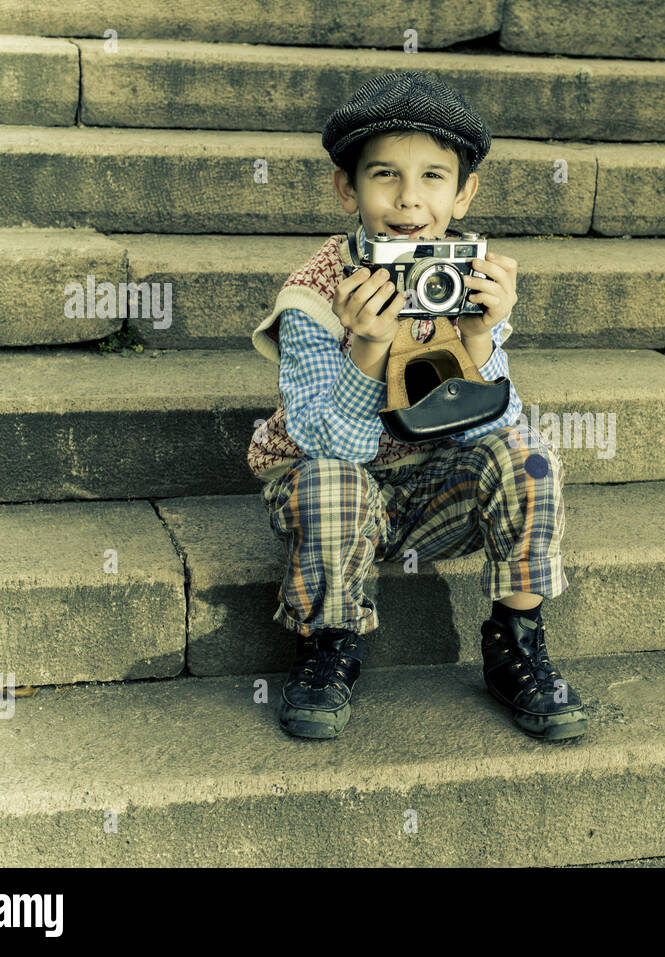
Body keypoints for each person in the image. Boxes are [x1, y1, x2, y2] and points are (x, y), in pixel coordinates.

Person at [246, 70, 588, 742]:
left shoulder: (460, 275)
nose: (409, 200)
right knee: (331, 481)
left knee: (530, 458)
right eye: (384, 176)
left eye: (433, 176)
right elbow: (327, 443)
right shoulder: (313, 294)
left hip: (431, 490)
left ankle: (516, 638)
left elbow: (493, 425)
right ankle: (327, 641)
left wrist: (482, 338)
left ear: (464, 192)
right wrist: (368, 350)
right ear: (347, 188)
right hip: (334, 493)